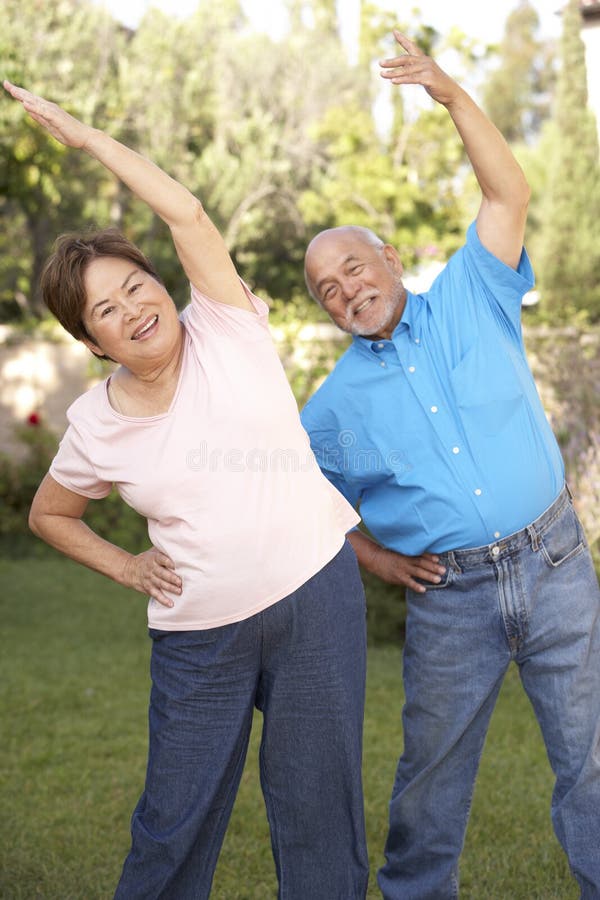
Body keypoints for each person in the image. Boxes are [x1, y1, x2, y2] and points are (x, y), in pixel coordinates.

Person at [3, 80, 370, 899]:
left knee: (320, 817)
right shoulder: (95, 424)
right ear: (92, 341)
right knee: (173, 825)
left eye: (136, 286)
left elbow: (187, 214)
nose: (133, 308)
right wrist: (129, 568)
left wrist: (90, 140)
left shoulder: (228, 323)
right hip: (201, 635)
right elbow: (50, 513)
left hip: (316, 599)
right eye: (105, 309)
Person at [300, 30, 600, 900]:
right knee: (430, 781)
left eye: (354, 266)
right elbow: (314, 501)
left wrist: (449, 94)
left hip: (555, 566)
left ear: (389, 257)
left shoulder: (475, 291)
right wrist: (380, 559)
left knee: (589, 763)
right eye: (327, 288)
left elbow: (509, 190)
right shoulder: (333, 411)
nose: (346, 288)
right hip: (453, 601)